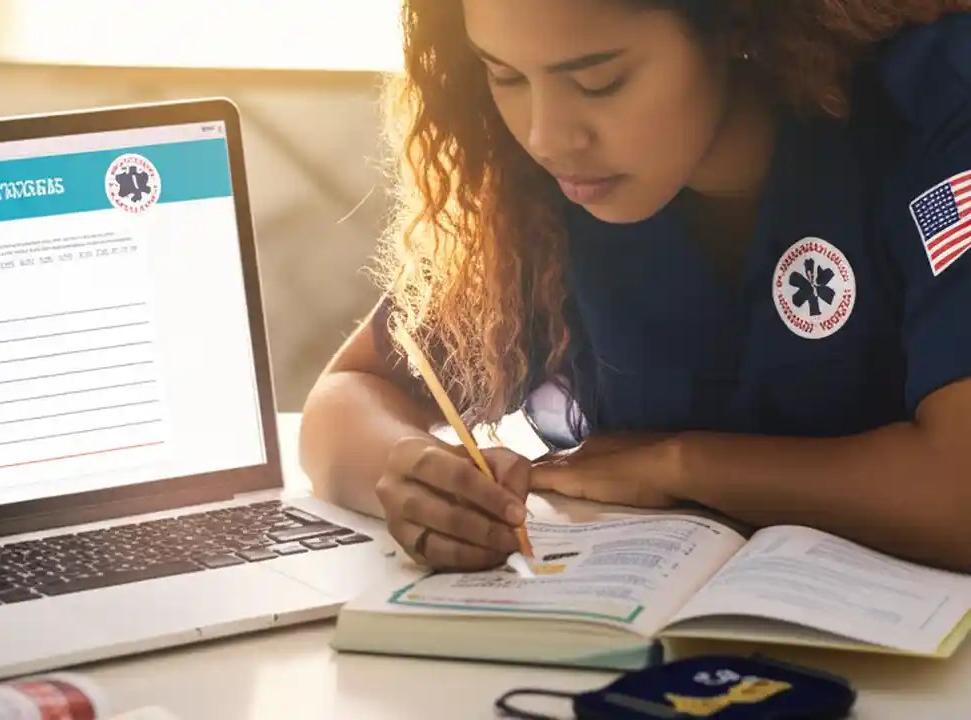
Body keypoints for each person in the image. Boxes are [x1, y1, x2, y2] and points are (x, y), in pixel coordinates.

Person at [298, 0, 971, 574]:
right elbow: (347, 397)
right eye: (503, 75)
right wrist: (412, 471)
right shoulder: (532, 197)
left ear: (734, 23)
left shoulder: (937, 111)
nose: (546, 136)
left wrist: (682, 467)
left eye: (598, 81)